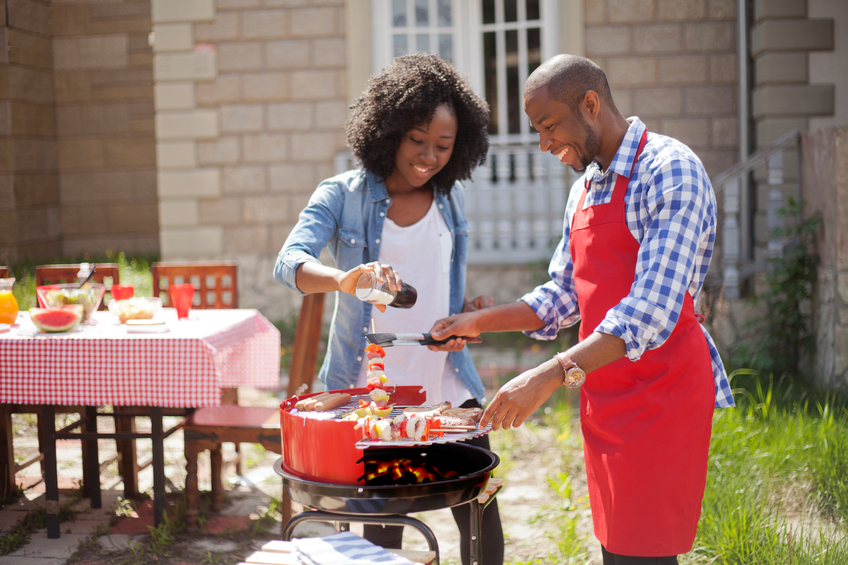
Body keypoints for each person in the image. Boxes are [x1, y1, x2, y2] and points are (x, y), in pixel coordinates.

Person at [429, 54, 735, 565]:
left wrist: (547, 375)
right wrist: (476, 322)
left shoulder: (670, 170)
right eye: (537, 130)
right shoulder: (585, 189)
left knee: (646, 554)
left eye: (548, 125)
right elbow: (563, 295)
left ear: (590, 105)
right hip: (603, 392)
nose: (544, 143)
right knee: (616, 548)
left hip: (661, 397)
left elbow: (651, 310)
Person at [273, 53, 504, 565]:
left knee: (482, 523)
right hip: (371, 400)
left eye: (442, 146)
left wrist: (466, 313)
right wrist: (344, 279)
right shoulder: (342, 195)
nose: (428, 156)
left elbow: (438, 282)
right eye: (416, 140)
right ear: (390, 129)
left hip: (447, 390)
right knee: (383, 538)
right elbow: (288, 263)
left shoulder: (451, 197)